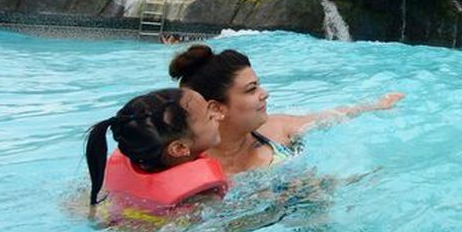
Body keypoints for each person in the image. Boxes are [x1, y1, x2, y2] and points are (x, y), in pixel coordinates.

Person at [168, 45, 405, 175]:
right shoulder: (186, 164)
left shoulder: (278, 129)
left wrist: (376, 105)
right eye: (251, 89)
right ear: (217, 109)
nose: (265, 93)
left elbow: (330, 116)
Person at [84, 88, 227, 226]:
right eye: (210, 117)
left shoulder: (126, 169)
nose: (219, 115)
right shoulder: (202, 199)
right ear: (179, 148)